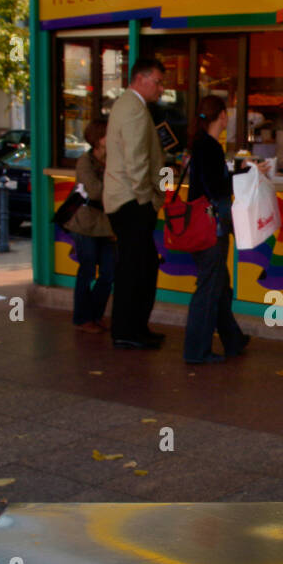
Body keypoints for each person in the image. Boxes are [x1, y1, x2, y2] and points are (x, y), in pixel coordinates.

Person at [103, 56, 167, 350]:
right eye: (158, 81)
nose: (161, 88)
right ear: (140, 78)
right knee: (136, 269)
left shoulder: (130, 105)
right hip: (131, 201)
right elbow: (136, 160)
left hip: (128, 200)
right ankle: (128, 330)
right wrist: (147, 199)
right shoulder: (133, 109)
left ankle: (133, 328)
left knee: (139, 266)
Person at [182, 95, 249, 365]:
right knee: (210, 288)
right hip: (212, 228)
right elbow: (215, 187)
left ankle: (233, 339)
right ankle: (197, 350)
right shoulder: (209, 146)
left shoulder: (200, 144)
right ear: (221, 115)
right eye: (227, 113)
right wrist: (244, 175)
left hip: (201, 226)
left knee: (219, 284)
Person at [65, 119, 116, 334]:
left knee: (109, 272)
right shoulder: (85, 162)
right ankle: (82, 317)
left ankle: (96, 314)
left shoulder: (112, 160)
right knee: (87, 272)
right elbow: (95, 191)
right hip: (85, 224)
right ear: (98, 140)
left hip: (107, 225)